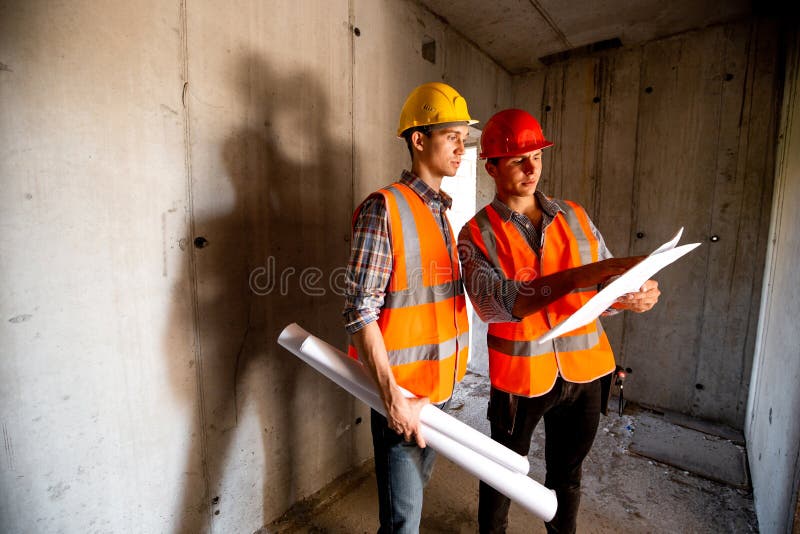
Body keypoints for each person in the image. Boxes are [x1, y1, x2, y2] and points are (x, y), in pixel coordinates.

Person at [458, 109, 661, 534]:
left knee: (567, 479)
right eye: (517, 160)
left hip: (586, 373)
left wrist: (629, 298)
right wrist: (581, 278)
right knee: (501, 474)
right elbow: (494, 305)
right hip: (521, 379)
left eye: (538, 155)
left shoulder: (575, 216)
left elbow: (603, 290)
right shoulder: (475, 233)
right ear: (491, 165)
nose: (532, 168)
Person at [343, 82, 476, 533]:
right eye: (451, 136)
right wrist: (392, 399)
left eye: (464, 137)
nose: (462, 147)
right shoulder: (386, 208)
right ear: (419, 139)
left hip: (437, 393)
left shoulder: (439, 212)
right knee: (404, 522)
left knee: (409, 511)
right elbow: (360, 310)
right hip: (401, 398)